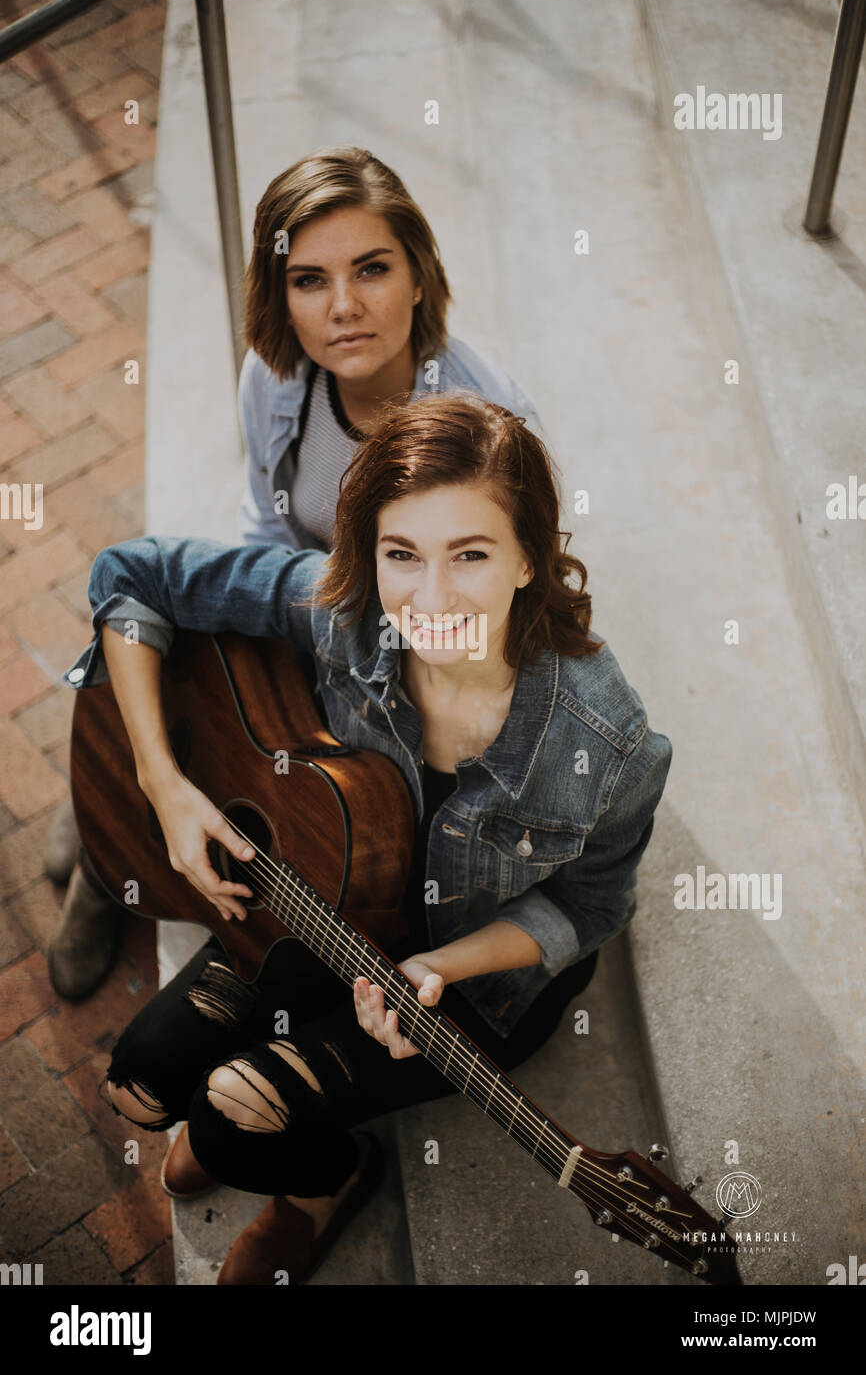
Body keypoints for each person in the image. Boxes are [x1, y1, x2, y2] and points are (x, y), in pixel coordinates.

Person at [61, 393, 672, 1285]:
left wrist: (441, 968)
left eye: (470, 554)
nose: (431, 598)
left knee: (230, 1124)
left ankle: (327, 1182)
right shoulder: (347, 613)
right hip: (327, 890)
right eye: (402, 554)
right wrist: (166, 786)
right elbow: (131, 576)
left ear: (529, 559)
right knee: (139, 1087)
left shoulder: (608, 744)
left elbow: (592, 905)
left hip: (472, 984)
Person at [47, 146, 543, 999]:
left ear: (418, 277)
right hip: (314, 602)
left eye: (372, 269)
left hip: (415, 654)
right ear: (280, 295)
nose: (343, 307)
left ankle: (128, 839)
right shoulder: (276, 379)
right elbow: (265, 526)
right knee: (180, 649)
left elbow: (504, 605)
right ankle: (114, 835)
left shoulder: (488, 427)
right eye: (309, 280)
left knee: (313, 812)